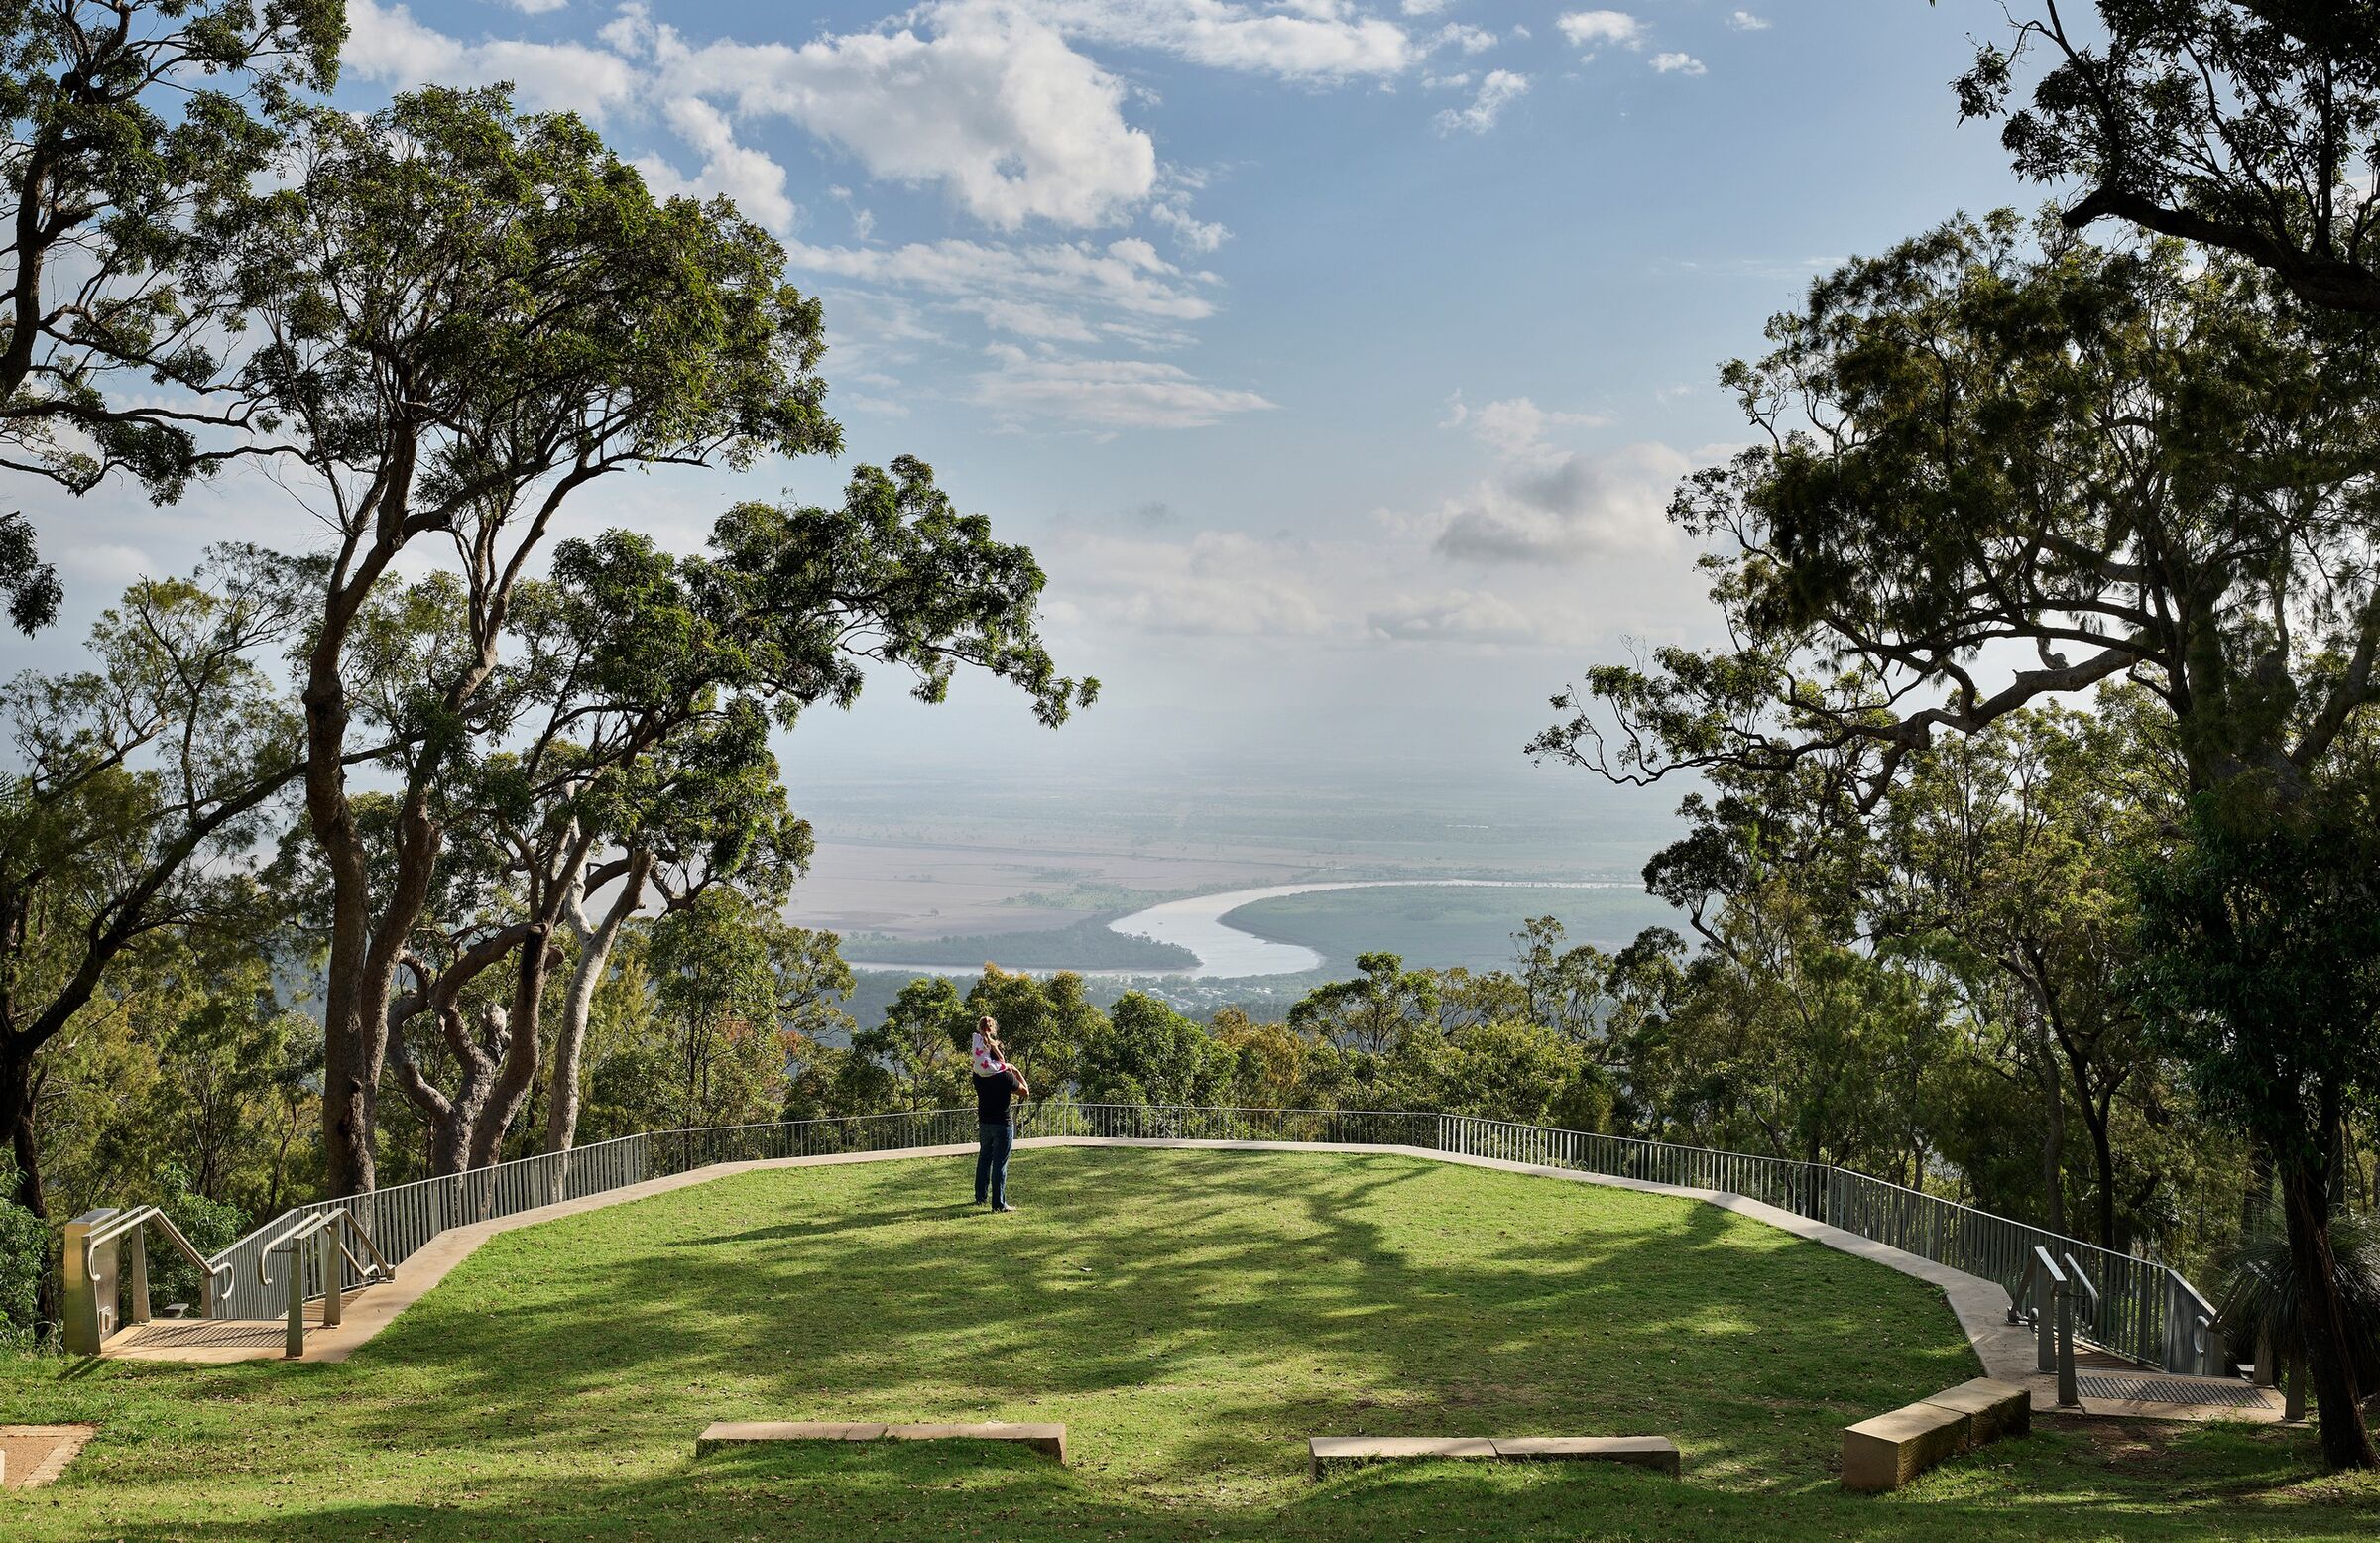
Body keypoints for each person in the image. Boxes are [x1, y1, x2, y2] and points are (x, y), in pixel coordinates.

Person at [971, 1015, 1027, 1211]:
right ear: (1000, 1056)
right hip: (1003, 1124)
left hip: (985, 1122)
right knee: (1000, 1164)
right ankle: (998, 1204)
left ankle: (980, 1196)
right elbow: (1025, 1091)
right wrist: (1016, 1071)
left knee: (984, 1158)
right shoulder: (1006, 1076)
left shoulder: (977, 1074)